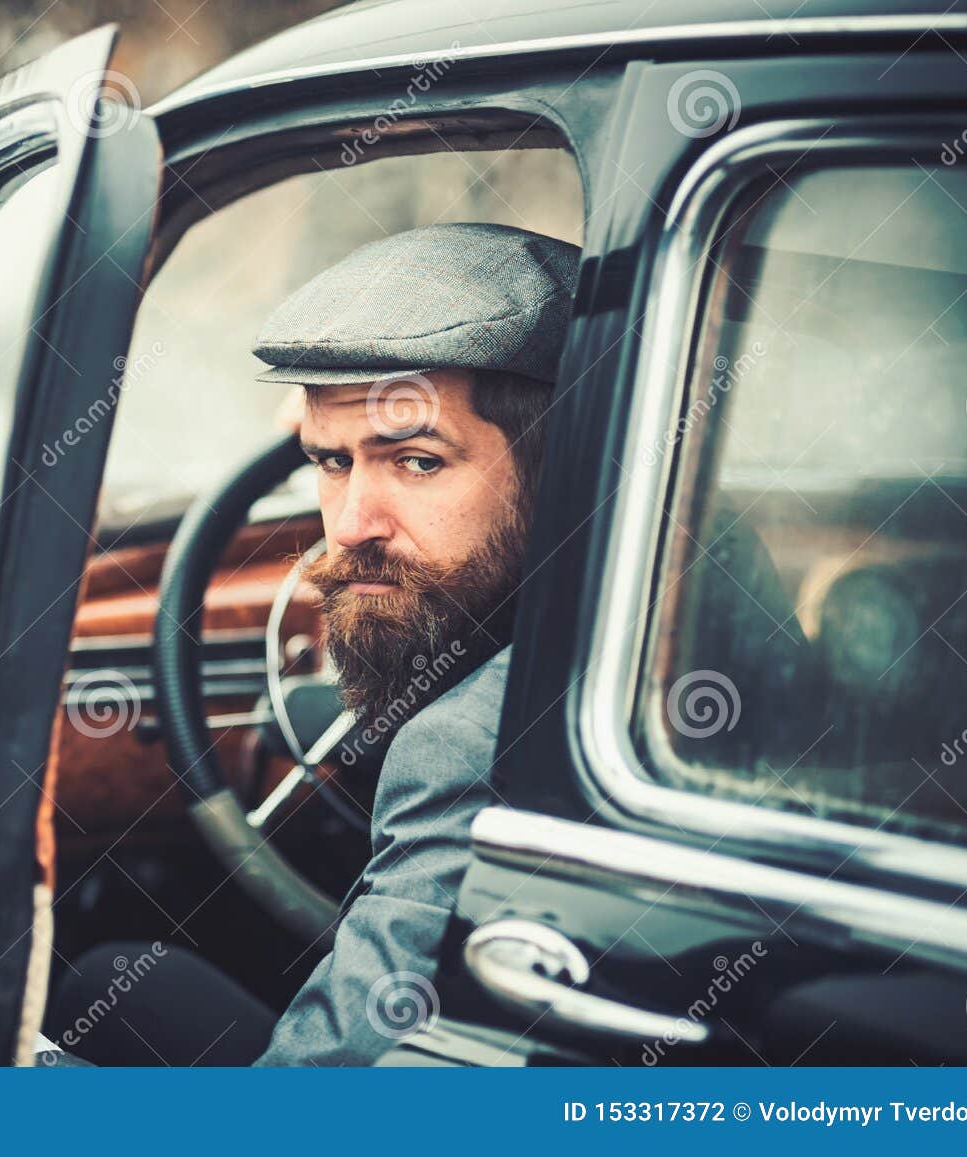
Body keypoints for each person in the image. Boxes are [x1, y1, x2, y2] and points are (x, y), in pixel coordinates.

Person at [49, 221, 581, 1066]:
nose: (350, 531)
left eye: (416, 463)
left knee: (106, 986)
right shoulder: (680, 599)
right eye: (332, 463)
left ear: (565, 465)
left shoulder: (467, 741)